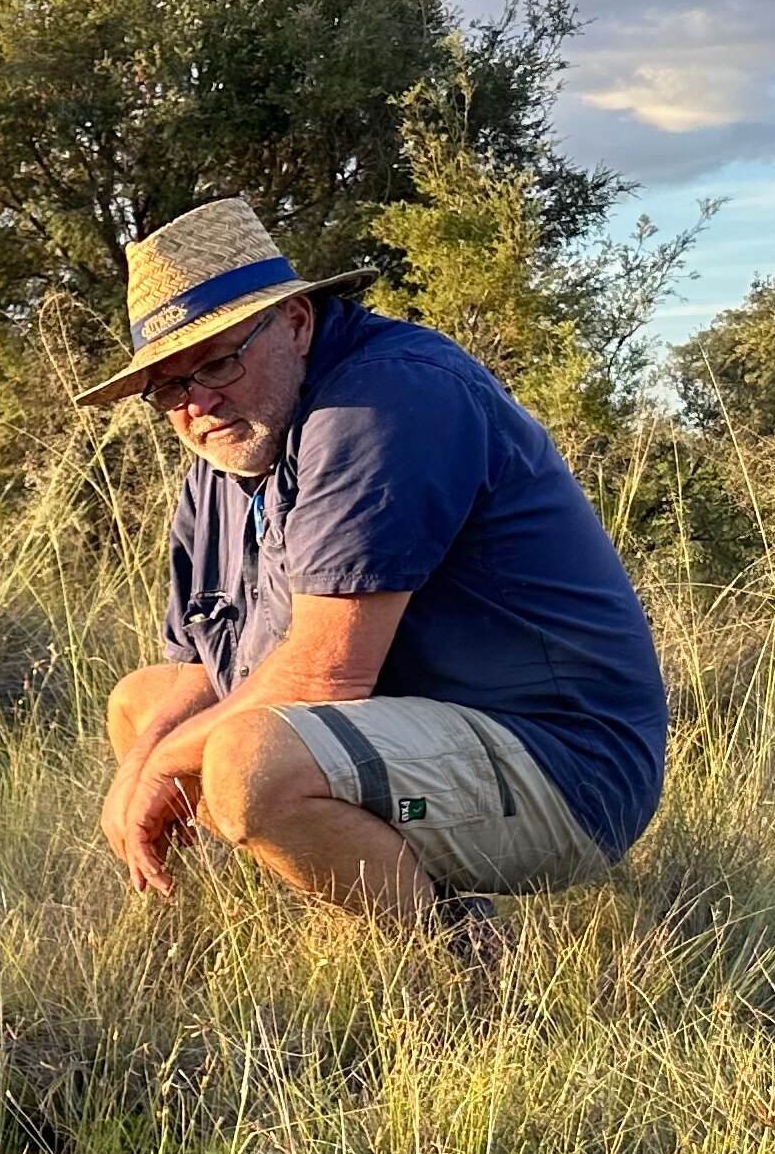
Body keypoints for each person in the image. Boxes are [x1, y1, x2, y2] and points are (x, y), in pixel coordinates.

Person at [78, 196, 666, 925]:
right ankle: (251, 927)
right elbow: (204, 663)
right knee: (142, 703)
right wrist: (144, 755)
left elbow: (329, 674)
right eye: (167, 386)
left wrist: (162, 764)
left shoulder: (384, 400)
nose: (196, 402)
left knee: (248, 762)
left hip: (560, 767)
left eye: (218, 360)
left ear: (295, 322)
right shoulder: (228, 449)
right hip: (420, 738)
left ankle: (452, 968)